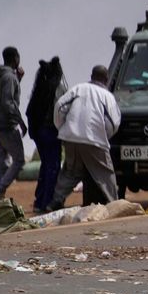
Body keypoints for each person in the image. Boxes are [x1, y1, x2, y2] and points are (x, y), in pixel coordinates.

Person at [48, 65, 121, 209]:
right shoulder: (107, 96)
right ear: (106, 79)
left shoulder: (78, 88)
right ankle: (114, 203)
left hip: (70, 137)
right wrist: (103, 135)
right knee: (105, 173)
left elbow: (60, 107)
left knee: (71, 171)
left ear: (92, 76)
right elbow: (114, 122)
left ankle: (56, 201)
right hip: (94, 139)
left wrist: (62, 128)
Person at [24, 58, 66, 215]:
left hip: (38, 133)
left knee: (46, 165)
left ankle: (39, 201)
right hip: (51, 132)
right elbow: (62, 111)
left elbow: (29, 112)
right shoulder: (58, 88)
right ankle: (48, 203)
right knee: (53, 167)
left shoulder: (39, 87)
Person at [0, 47, 28, 209]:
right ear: (15, 58)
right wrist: (21, 122)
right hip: (8, 126)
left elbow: (8, 94)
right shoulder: (9, 77)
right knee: (19, 160)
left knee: (3, 161)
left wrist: (18, 79)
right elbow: (8, 102)